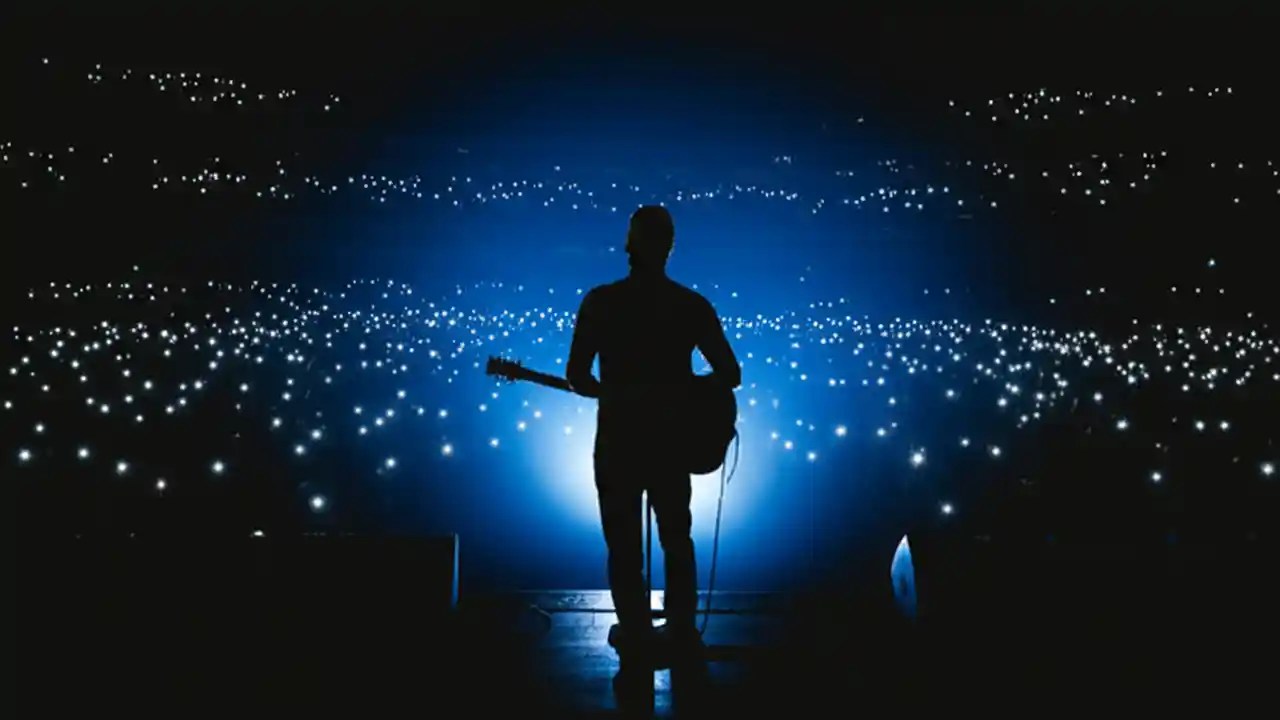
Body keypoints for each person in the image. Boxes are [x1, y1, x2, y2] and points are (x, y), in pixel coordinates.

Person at [566, 205, 742, 682]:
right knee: (676, 538)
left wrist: (625, 391)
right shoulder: (690, 306)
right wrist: (680, 393)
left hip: (619, 442)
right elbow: (730, 374)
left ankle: (637, 632)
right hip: (669, 444)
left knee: (623, 546)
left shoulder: (600, 303)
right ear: (669, 247)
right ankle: (682, 629)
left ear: (628, 245)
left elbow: (578, 377)